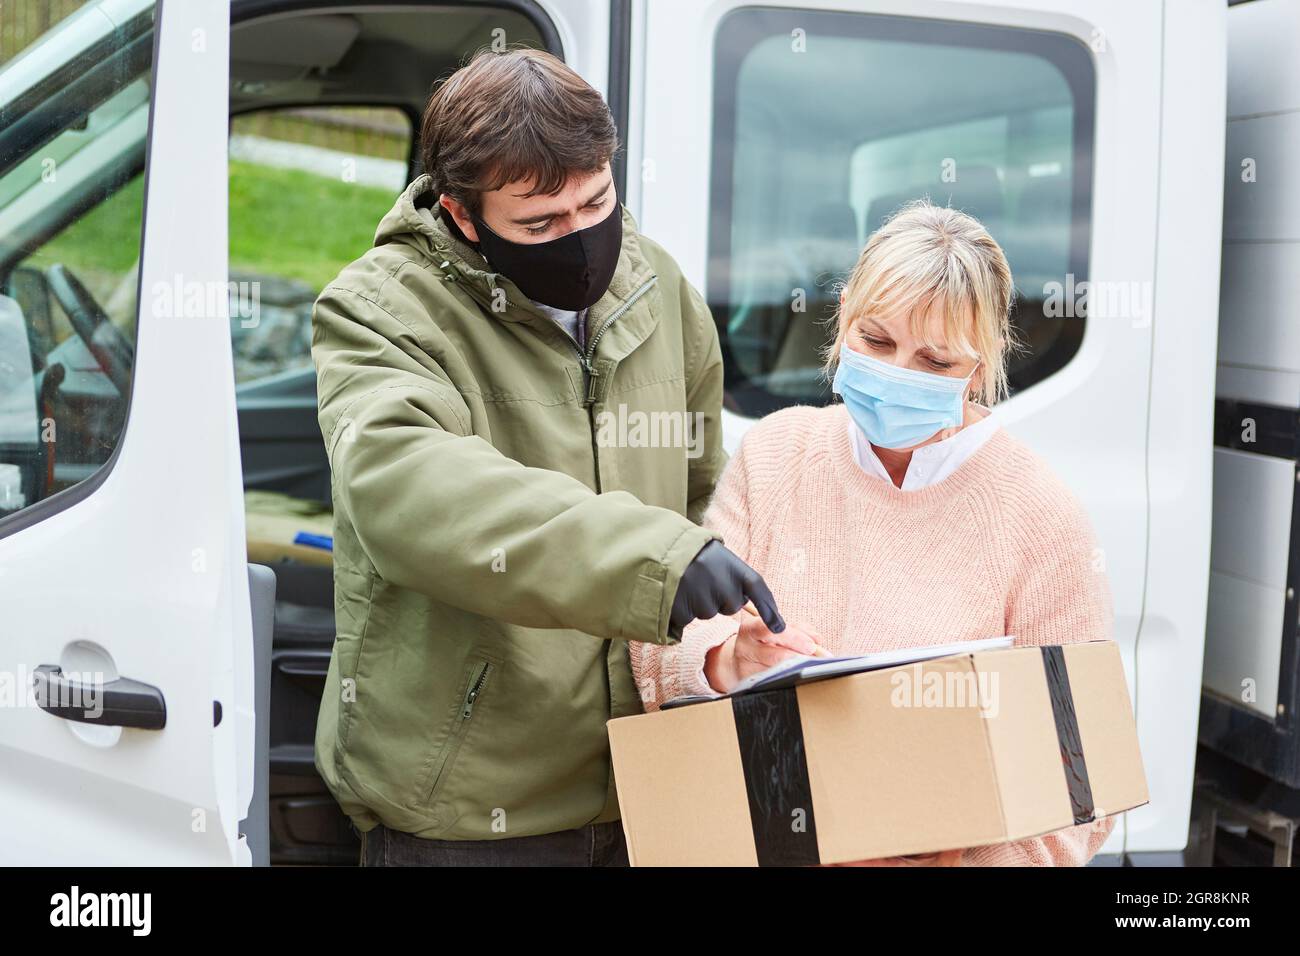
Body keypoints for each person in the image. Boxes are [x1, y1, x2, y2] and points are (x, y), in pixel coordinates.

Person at [311, 47, 783, 867]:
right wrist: (657, 563)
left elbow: (706, 487)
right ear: (462, 215)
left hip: (656, 785)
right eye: (540, 224)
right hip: (470, 808)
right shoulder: (377, 309)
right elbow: (410, 492)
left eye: (597, 202)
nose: (580, 240)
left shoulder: (657, 285)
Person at [631, 200, 1117, 866]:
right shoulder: (776, 454)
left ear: (980, 369)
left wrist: (952, 858)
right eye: (877, 341)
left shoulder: (1042, 515)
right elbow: (663, 649)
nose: (898, 376)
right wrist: (724, 661)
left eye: (936, 361)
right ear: (840, 327)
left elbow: (1079, 784)